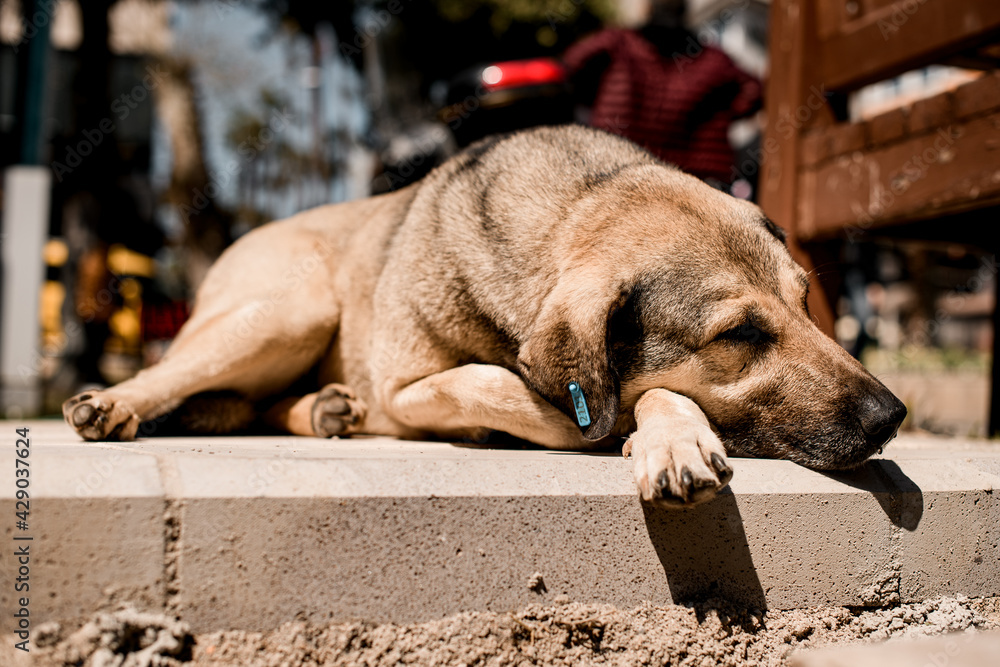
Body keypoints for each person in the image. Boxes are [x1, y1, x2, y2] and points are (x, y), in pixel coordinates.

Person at [563, 0, 761, 190]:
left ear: (648, 9)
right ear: (683, 13)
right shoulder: (713, 60)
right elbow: (753, 92)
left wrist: (591, 97)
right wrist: (720, 111)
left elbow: (569, 66)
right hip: (695, 177)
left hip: (618, 165)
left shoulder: (618, 43)